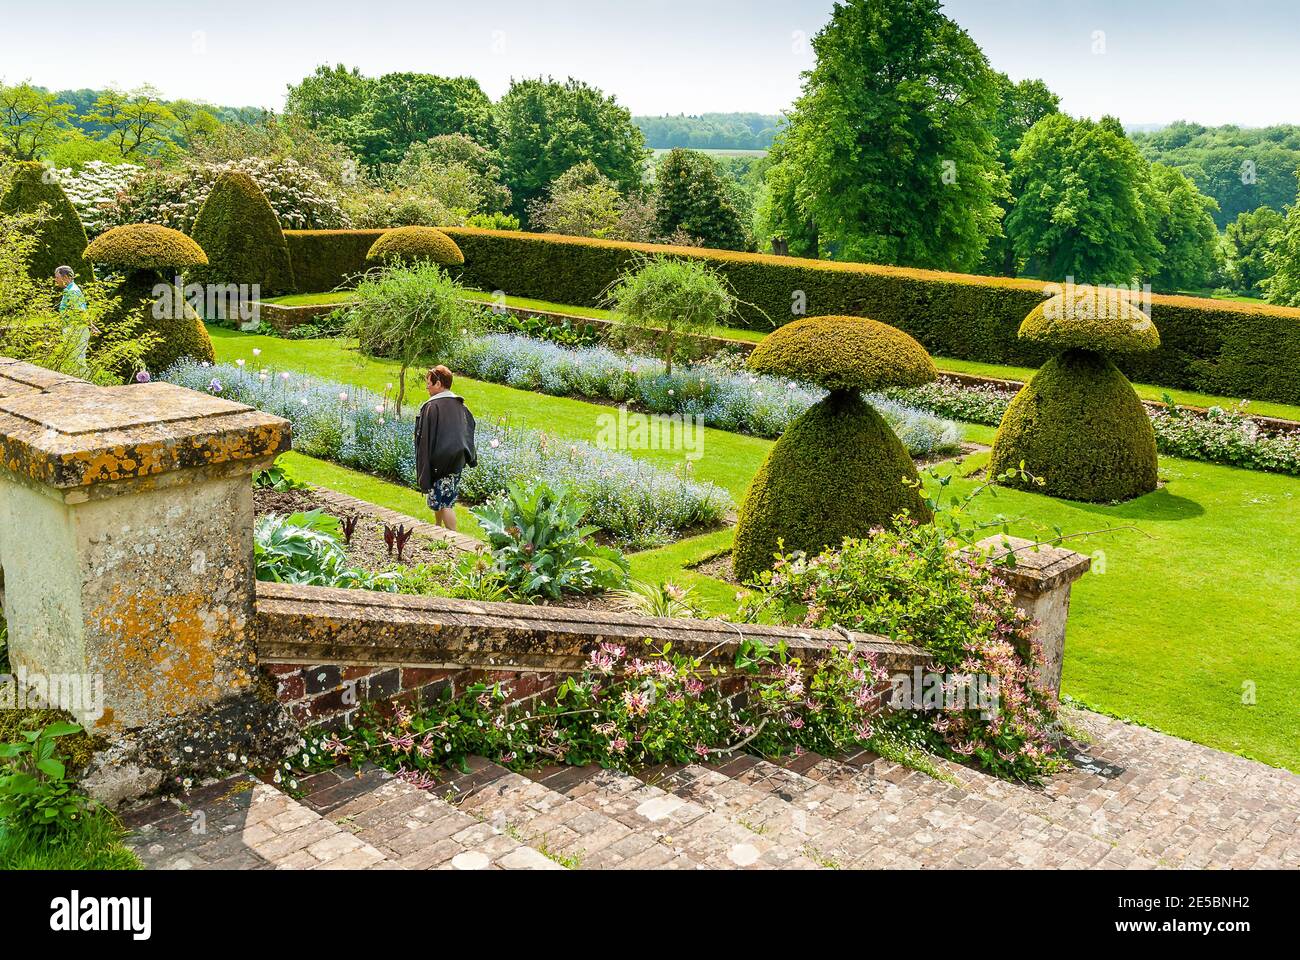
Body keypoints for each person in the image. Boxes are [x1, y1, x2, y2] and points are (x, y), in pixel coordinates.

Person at [415, 365, 477, 530]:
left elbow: (425, 438)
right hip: (456, 460)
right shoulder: (460, 406)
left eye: (429, 383)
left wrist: (425, 466)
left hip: (439, 462)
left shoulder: (432, 406)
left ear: (438, 384)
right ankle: (437, 527)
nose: (427, 387)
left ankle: (454, 537)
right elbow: (469, 429)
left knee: (446, 503)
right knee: (441, 498)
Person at [54, 266, 94, 370]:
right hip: (73, 329)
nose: (55, 280)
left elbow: (81, 311)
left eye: (57, 277)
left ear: (65, 277)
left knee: (78, 362)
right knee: (73, 361)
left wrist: (91, 326)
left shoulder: (72, 291)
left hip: (77, 331)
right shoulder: (69, 290)